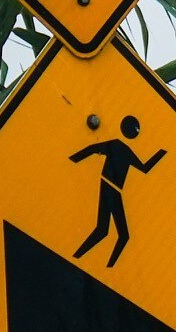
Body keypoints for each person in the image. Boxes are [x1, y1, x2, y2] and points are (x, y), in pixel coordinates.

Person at [67, 115, 162, 268]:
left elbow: (145, 168)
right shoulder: (118, 146)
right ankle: (81, 260)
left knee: (109, 232)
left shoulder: (123, 148)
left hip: (112, 189)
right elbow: (93, 149)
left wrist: (162, 152)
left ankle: (89, 262)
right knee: (113, 233)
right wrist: (73, 160)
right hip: (109, 187)